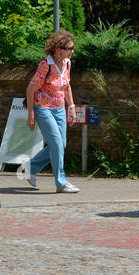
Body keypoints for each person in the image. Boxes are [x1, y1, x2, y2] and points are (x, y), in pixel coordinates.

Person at [25, 29, 79, 192]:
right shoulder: (45, 65)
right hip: (43, 108)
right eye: (69, 48)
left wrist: (71, 107)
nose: (72, 51)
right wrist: (31, 114)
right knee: (55, 142)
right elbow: (30, 90)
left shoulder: (67, 63)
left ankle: (30, 168)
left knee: (61, 144)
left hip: (59, 108)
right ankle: (61, 182)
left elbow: (66, 86)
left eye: (72, 48)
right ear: (58, 49)